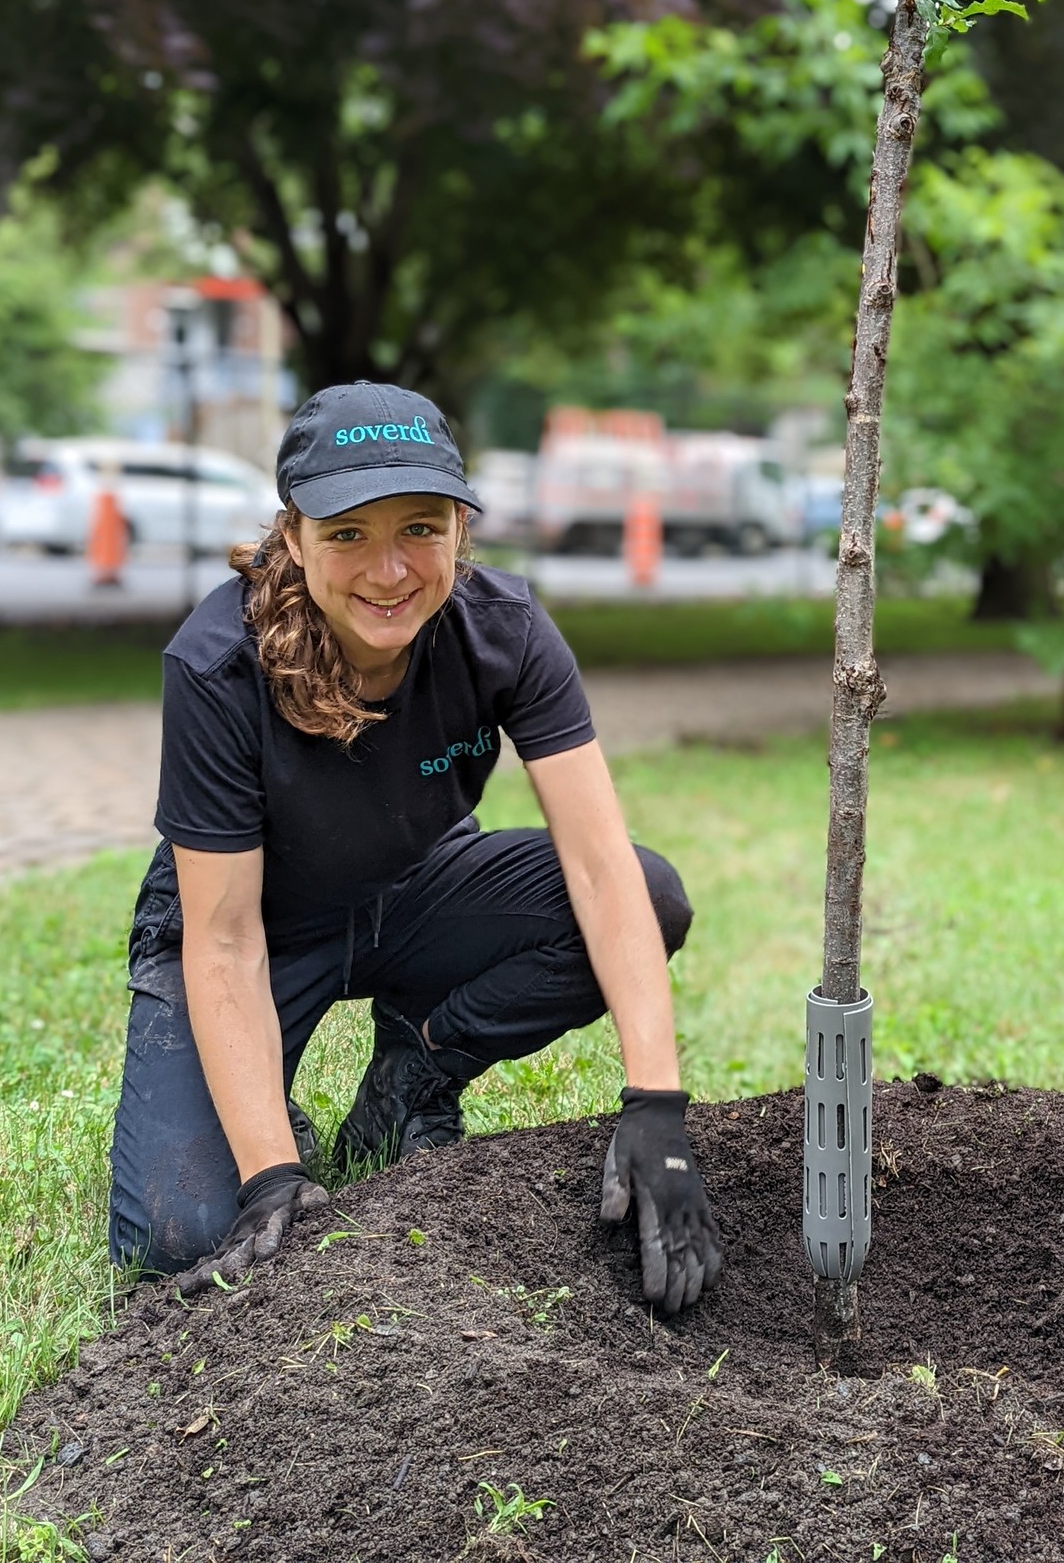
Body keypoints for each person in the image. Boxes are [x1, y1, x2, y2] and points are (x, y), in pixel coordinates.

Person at [108, 381, 721, 1315]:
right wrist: (272, 1174)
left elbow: (599, 871)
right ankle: (270, 1109)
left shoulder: (504, 631)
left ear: (459, 533)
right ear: (294, 535)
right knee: (181, 1233)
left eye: (421, 529)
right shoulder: (216, 664)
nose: (390, 570)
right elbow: (224, 939)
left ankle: (413, 1074)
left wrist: (658, 1110)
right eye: (349, 532)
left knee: (651, 890)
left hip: (420, 887)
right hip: (253, 930)